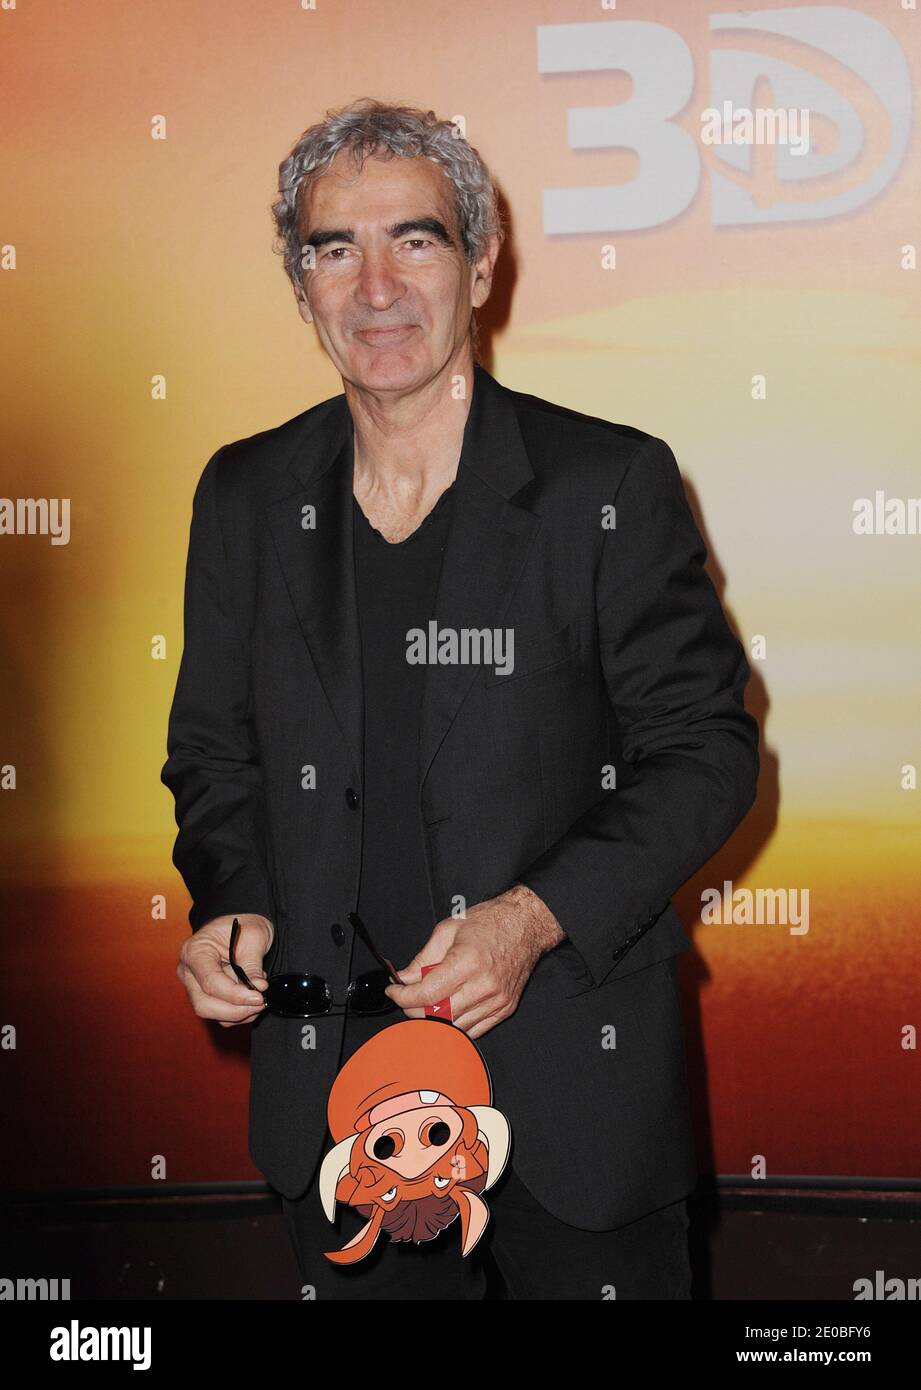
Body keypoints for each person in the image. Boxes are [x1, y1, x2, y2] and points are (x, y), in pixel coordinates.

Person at [161, 98, 759, 1300]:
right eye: (335, 249)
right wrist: (237, 902)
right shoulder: (245, 493)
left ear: (481, 263)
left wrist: (532, 918)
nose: (376, 286)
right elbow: (214, 757)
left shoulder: (609, 483)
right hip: (345, 1108)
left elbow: (705, 752)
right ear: (302, 284)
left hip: (570, 1096)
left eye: (415, 240)